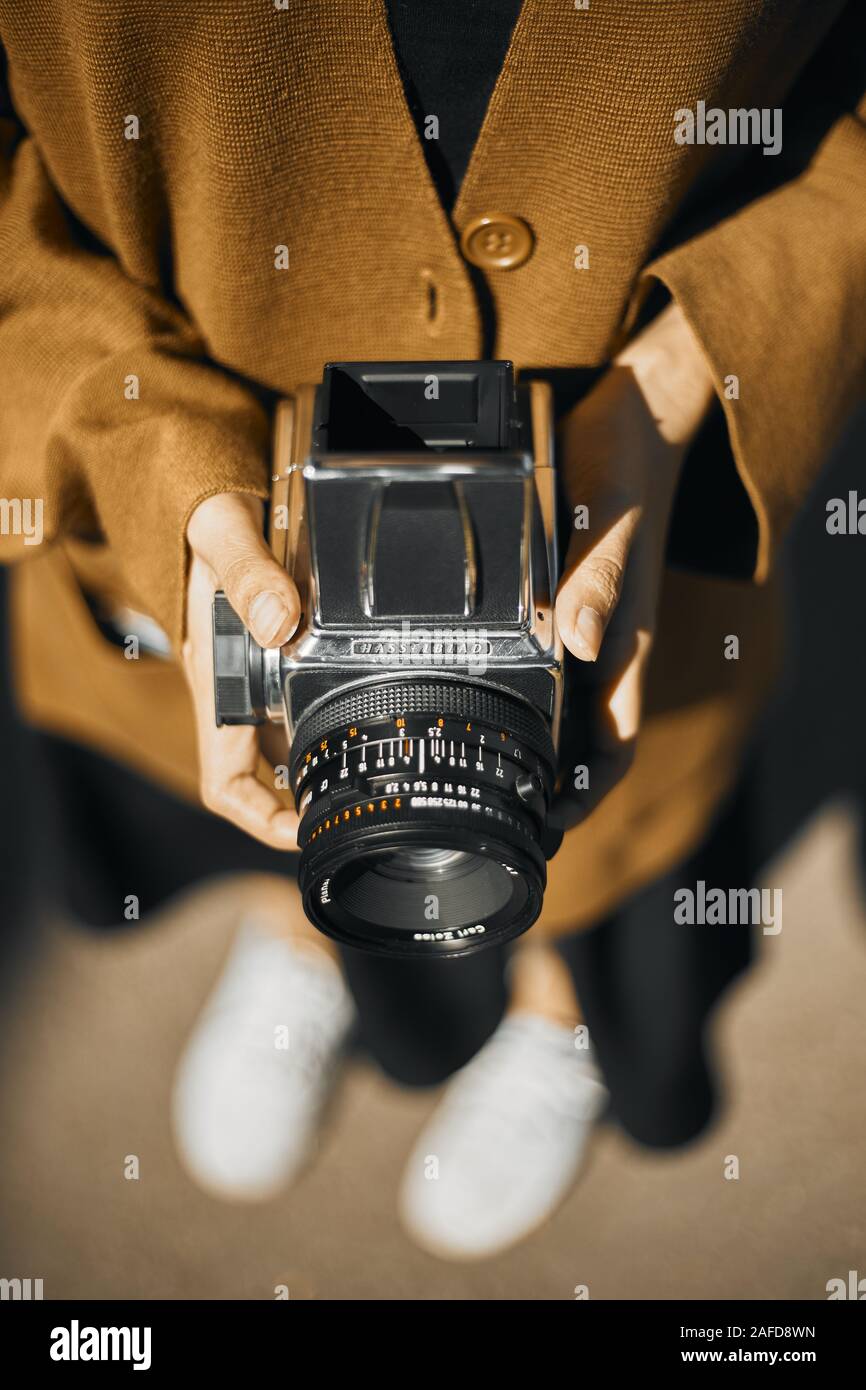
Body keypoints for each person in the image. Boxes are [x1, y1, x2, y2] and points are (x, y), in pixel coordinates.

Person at [1, 1, 863, 1259]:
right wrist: (138, 449)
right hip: (171, 521)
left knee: (588, 831)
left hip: (635, 527)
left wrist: (688, 376)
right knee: (285, 806)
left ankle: (557, 1009)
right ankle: (301, 939)